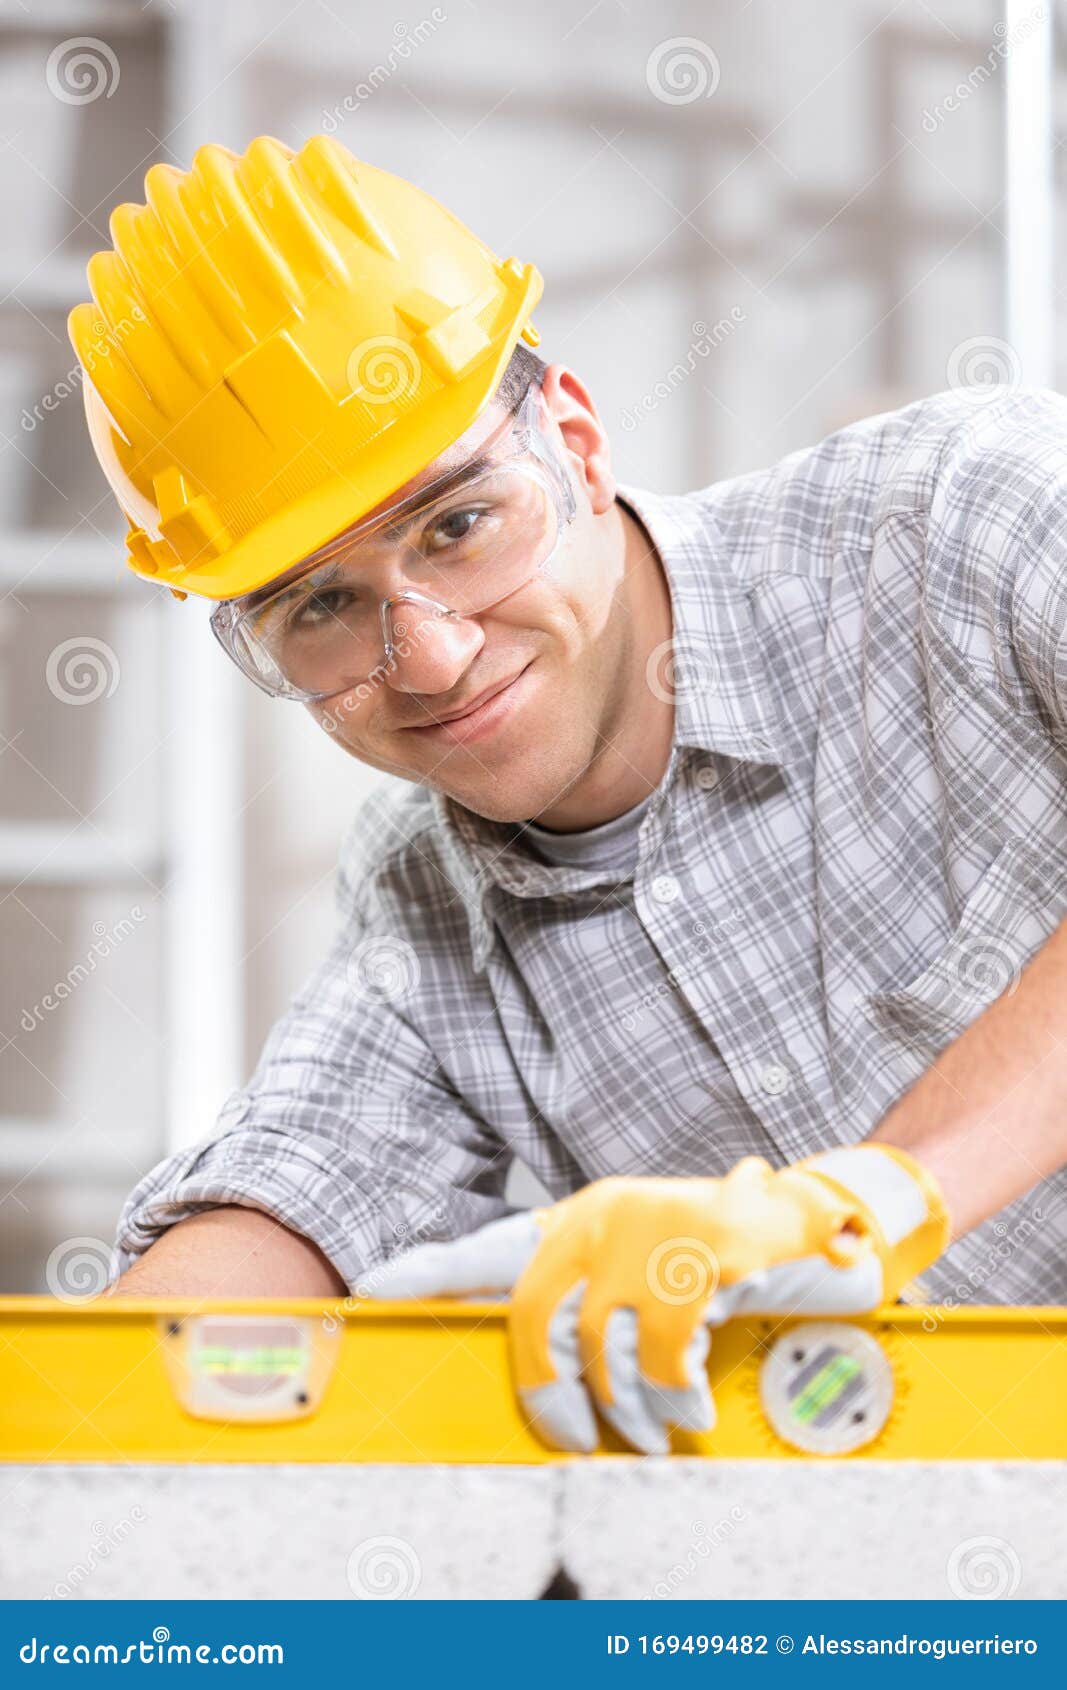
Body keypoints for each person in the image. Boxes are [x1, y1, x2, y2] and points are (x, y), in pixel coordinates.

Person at [74, 133, 1067, 1454]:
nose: (429, 654)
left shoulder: (966, 520)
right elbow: (278, 1207)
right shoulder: (425, 910)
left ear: (577, 445)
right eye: (319, 605)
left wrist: (871, 1201)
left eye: (457, 525)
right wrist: (75, 1437)